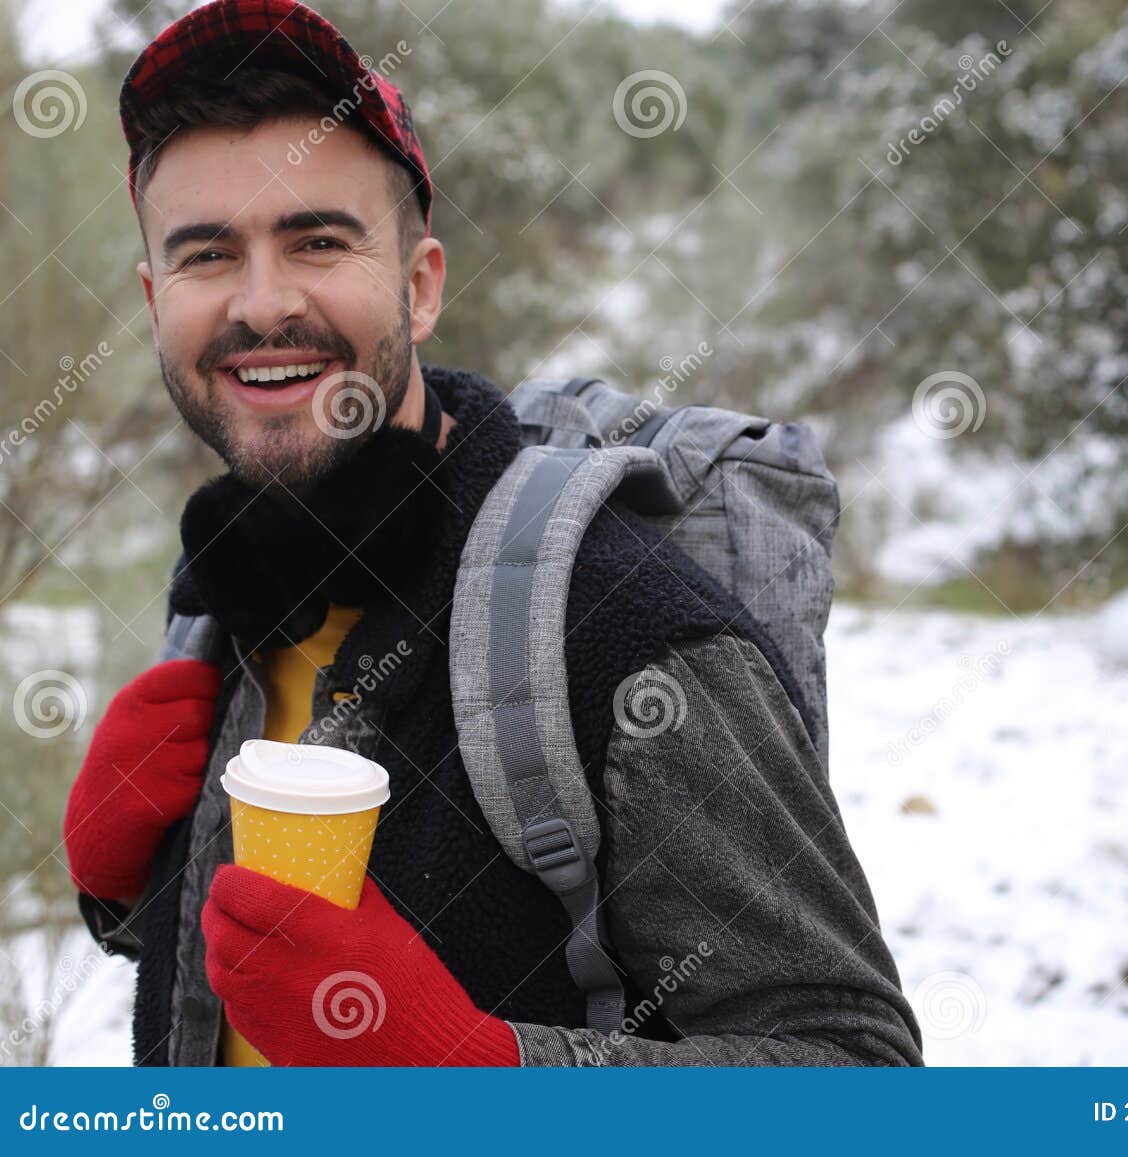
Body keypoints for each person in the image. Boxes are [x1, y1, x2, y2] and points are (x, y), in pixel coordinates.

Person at [62, 0, 922, 1068]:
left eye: (317, 240)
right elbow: (264, 980)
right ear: (156, 300)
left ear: (420, 286)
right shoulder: (226, 589)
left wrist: (471, 1068)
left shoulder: (618, 621)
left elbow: (857, 1069)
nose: (262, 302)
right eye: (206, 255)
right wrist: (129, 887)